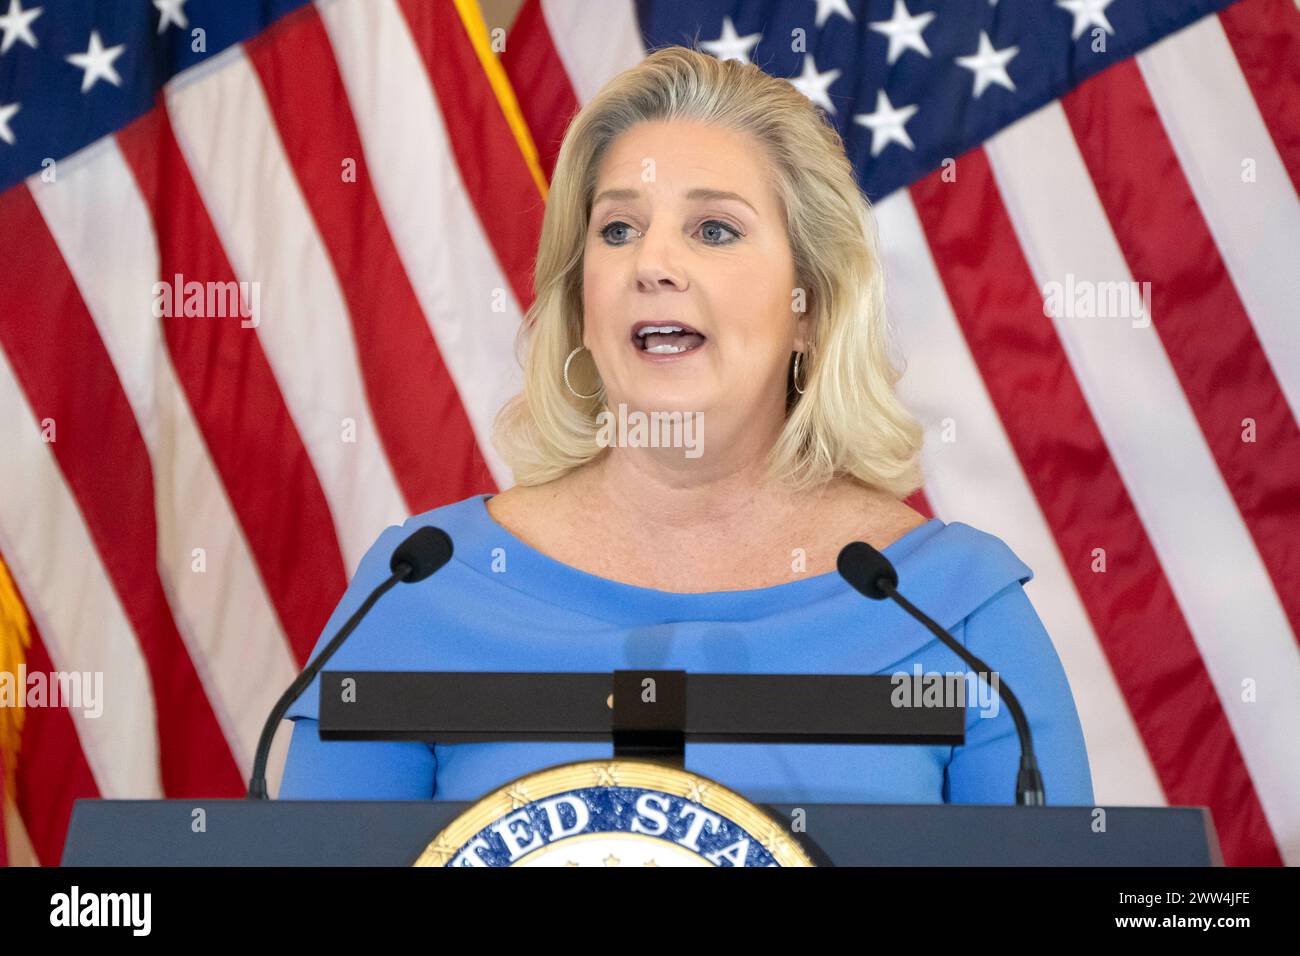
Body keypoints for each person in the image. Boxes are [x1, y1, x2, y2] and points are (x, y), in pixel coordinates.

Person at [278, 46, 1094, 807]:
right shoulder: (421, 591)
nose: (652, 263)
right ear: (580, 302)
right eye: (618, 229)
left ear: (809, 306)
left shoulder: (953, 613)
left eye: (714, 230)